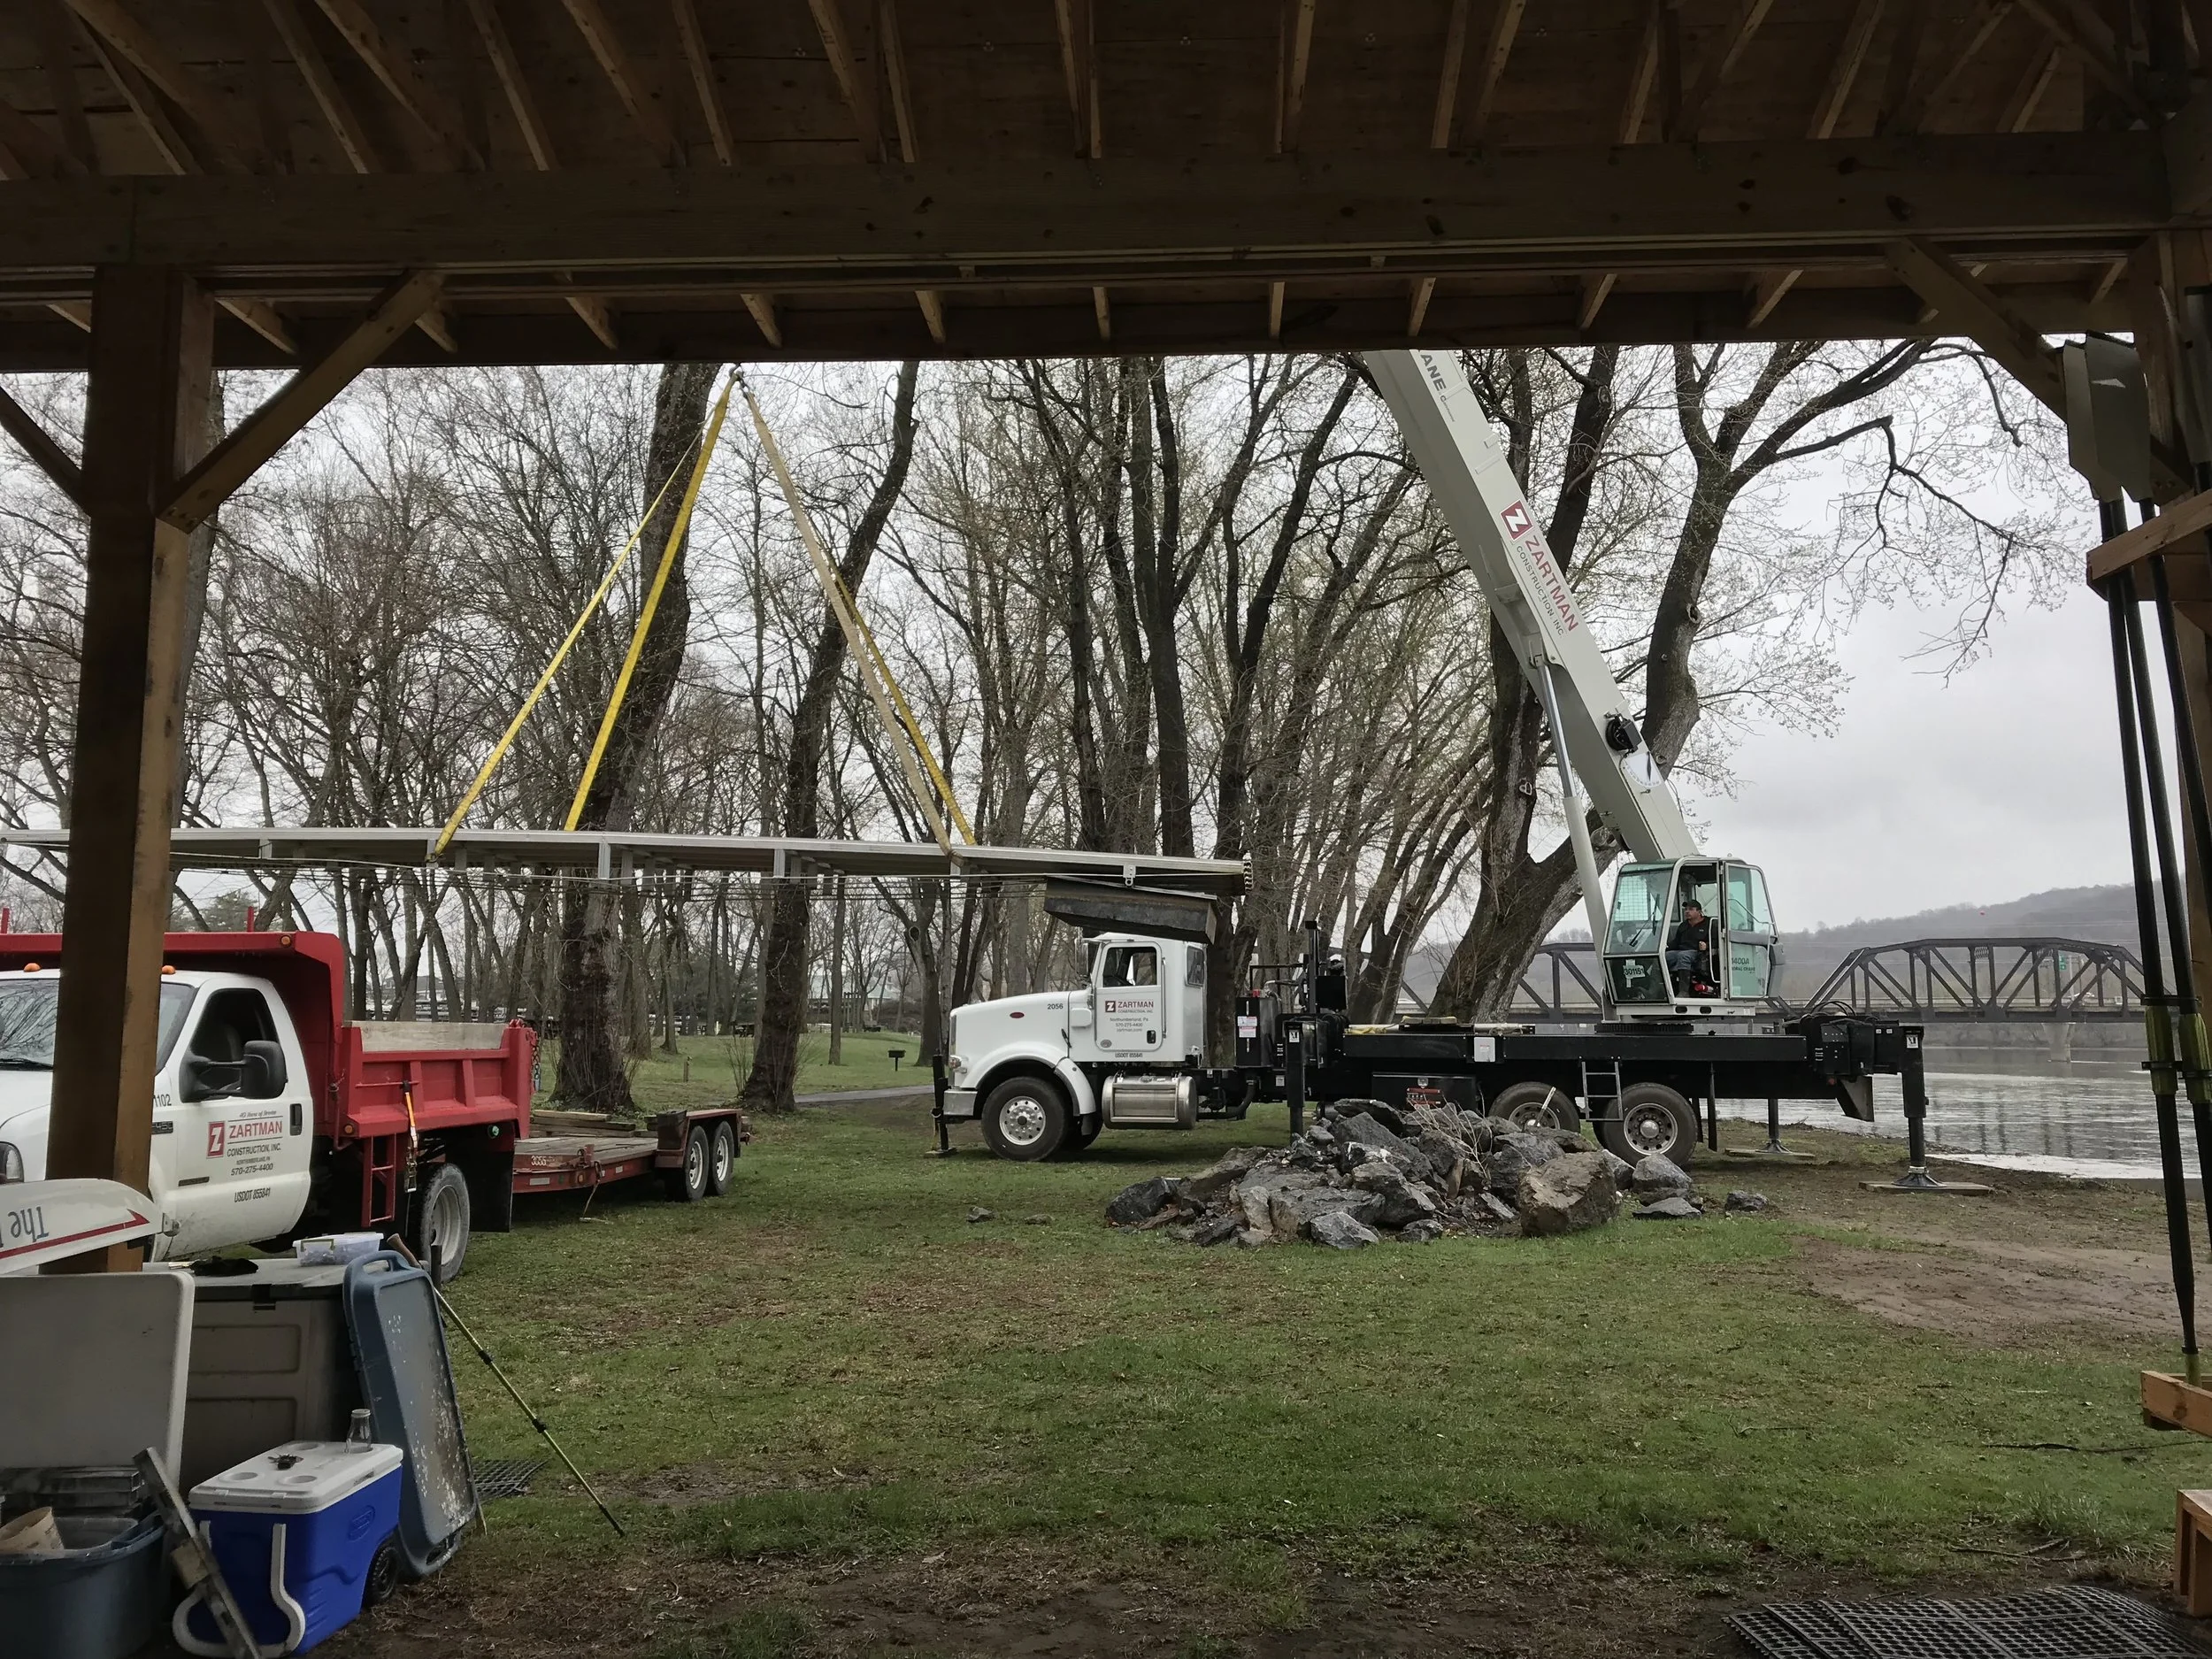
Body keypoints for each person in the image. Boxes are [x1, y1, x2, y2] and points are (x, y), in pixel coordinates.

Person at [1666, 899, 1715, 990]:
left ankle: (1684, 991)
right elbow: (1676, 942)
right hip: (1681, 951)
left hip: (1698, 953)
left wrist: (1707, 945)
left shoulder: (1710, 923)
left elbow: (1718, 941)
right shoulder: (1683, 925)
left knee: (1683, 956)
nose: (1687, 911)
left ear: (1699, 912)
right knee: (1664, 956)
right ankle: (1656, 990)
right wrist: (1663, 947)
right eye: (1686, 909)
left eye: (1691, 909)